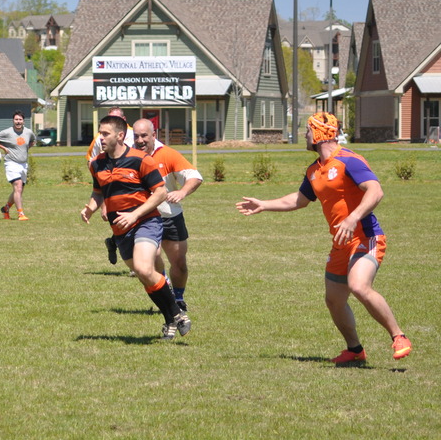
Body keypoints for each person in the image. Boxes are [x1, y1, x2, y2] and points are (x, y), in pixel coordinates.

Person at [235, 112, 412, 363]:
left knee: (359, 286)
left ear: (319, 134)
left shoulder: (349, 161)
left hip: (366, 236)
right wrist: (264, 204)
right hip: (340, 242)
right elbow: (298, 200)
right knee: (334, 300)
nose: (304, 136)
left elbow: (375, 190)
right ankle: (355, 350)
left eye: (307, 131)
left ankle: (399, 336)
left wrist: (352, 218)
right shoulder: (314, 170)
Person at [80, 114, 189, 340]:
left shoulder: (141, 160)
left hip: (145, 221)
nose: (100, 138)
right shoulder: (97, 163)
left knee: (142, 268)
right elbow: (98, 191)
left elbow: (160, 193)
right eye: (100, 133)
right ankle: (170, 317)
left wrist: (134, 215)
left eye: (105, 133)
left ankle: (177, 314)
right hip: (120, 230)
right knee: (147, 276)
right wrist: (90, 207)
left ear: (120, 136)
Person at [132, 118, 203, 319]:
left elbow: (195, 176)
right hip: (144, 219)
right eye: (136, 136)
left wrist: (181, 193)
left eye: (144, 135)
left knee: (179, 262)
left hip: (170, 216)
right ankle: (166, 292)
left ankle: (178, 297)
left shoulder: (168, 154)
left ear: (154, 135)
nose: (140, 140)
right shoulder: (130, 156)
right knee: (152, 261)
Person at [87, 106, 135, 266]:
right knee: (125, 224)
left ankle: (117, 245)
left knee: (139, 222)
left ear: (124, 120)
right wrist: (104, 201)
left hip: (136, 186)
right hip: (114, 190)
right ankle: (133, 261)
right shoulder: (100, 138)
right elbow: (92, 161)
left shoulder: (136, 135)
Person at [0, 109, 37, 221]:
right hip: (11, 163)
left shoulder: (28, 132)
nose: (18, 121)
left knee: (19, 190)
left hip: (23, 164)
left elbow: (33, 141)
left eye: (20, 119)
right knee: (18, 187)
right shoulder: (7, 132)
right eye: (16, 119)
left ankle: (6, 208)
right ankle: (21, 214)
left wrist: (25, 149)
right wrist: (4, 148)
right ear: (13, 120)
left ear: (23, 121)